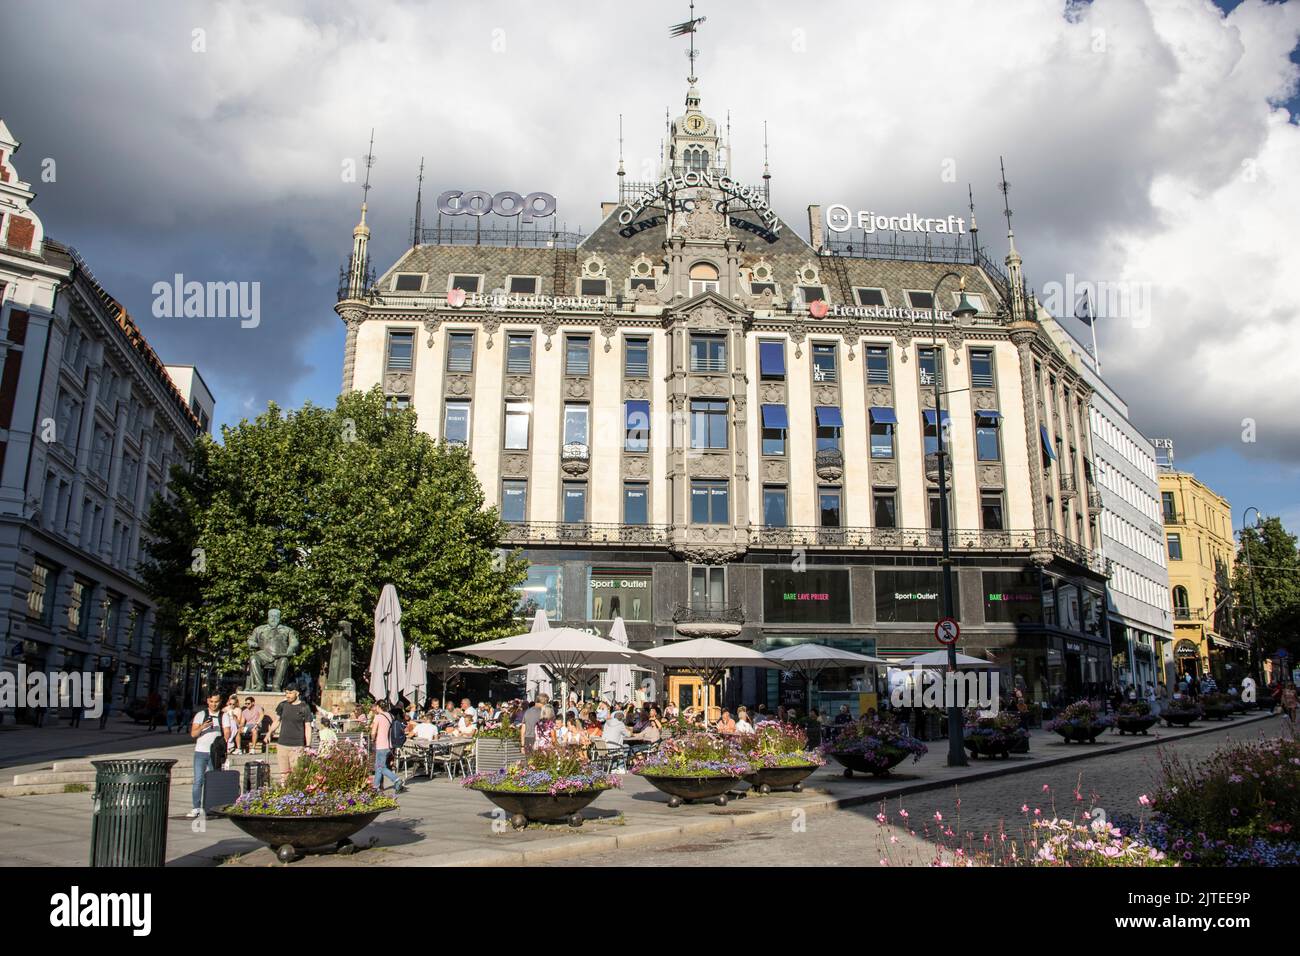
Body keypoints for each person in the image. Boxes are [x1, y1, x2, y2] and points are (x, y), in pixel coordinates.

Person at [188, 692, 225, 819]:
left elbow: (227, 734)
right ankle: (196, 808)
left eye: (216, 702)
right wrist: (203, 726)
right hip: (200, 752)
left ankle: (211, 807)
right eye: (211, 702)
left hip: (215, 754)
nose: (214, 704)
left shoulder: (223, 716)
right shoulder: (201, 715)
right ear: (207, 701)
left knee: (213, 781)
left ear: (220, 701)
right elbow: (193, 734)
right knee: (198, 780)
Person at [269, 686, 313, 784]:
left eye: (290, 693)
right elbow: (277, 721)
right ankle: (285, 794)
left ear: (297, 693)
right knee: (284, 774)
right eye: (286, 693)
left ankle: (294, 794)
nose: (288, 695)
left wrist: (308, 745)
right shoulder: (282, 705)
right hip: (282, 744)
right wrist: (269, 733)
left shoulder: (304, 707)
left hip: (297, 745)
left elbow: (308, 727)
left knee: (296, 773)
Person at [369, 701, 405, 794]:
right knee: (379, 766)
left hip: (381, 745)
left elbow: (373, 732)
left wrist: (372, 739)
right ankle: (375, 787)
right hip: (389, 745)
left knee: (380, 767)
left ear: (378, 706)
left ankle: (397, 779)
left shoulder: (378, 717)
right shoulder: (390, 716)